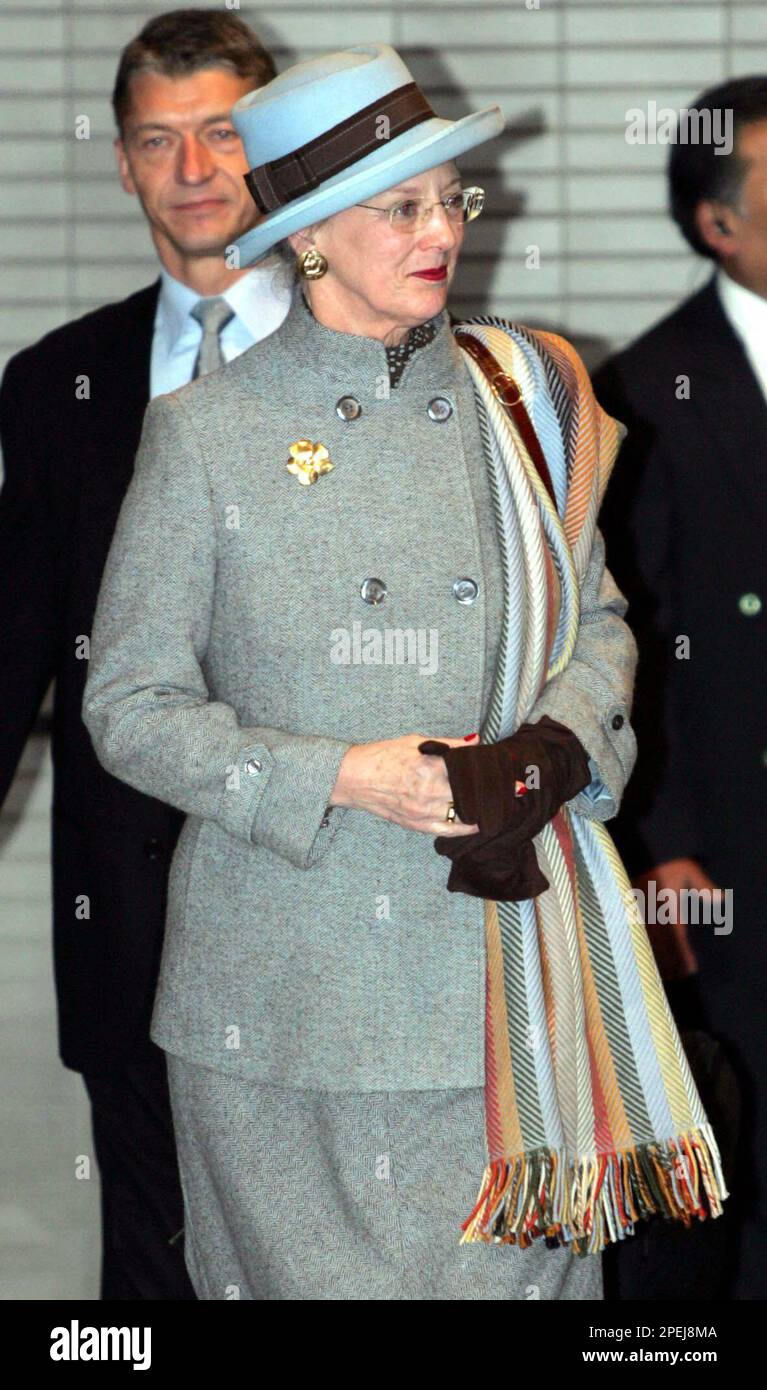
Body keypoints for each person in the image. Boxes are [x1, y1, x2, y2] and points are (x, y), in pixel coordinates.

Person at [82, 42, 728, 1301]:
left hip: (508, 979)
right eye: (402, 205)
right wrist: (339, 774)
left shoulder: (530, 392)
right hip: (284, 1007)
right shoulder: (205, 437)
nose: (442, 229)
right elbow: (129, 706)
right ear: (314, 234)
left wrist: (554, 748)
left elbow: (601, 623)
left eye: (450, 197)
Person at [0, 9, 286, 1299]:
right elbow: (14, 643)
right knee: (152, 1289)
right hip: (127, 926)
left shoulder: (398, 359)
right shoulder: (56, 382)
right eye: (156, 141)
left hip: (341, 925)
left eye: (221, 133)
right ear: (121, 164)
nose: (191, 170)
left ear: (272, 145)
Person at [592, 76, 767, 1300]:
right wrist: (661, 849)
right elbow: (623, 644)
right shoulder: (650, 392)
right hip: (731, 862)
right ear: (719, 223)